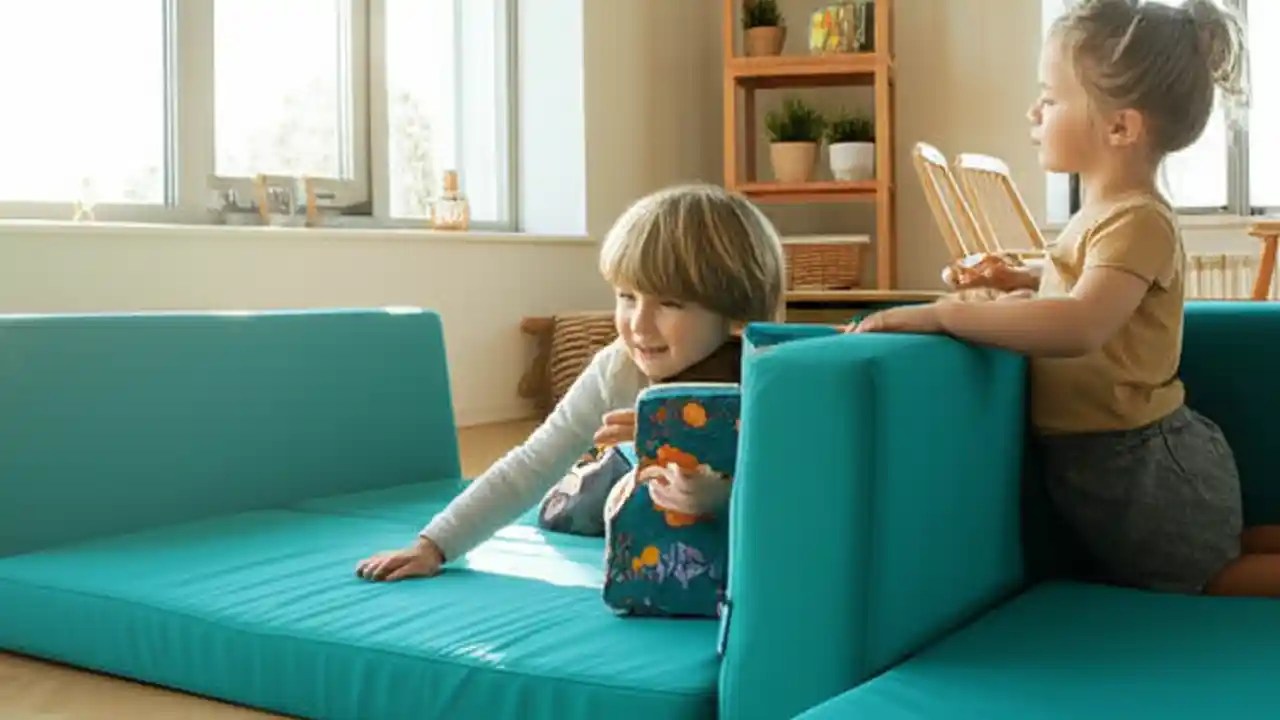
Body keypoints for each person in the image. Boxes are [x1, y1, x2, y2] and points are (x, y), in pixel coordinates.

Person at [854, 0, 1280, 596]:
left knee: (1212, 578)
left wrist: (948, 316)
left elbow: (1084, 322)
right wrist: (1023, 279)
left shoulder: (1138, 220)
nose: (1034, 111)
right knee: (1218, 553)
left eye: (1050, 99)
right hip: (1116, 460)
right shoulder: (1102, 216)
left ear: (1119, 127)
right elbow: (1084, 288)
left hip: (1144, 467)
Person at [356, 183, 786, 582]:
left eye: (670, 304)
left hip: (736, 516)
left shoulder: (771, 376)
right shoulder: (618, 368)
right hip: (611, 488)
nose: (638, 325)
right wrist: (433, 546)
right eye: (626, 296)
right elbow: (533, 463)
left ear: (734, 312)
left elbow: (803, 496)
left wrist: (719, 495)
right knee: (585, 496)